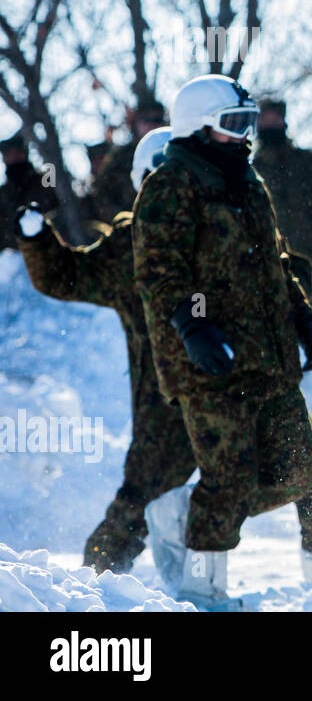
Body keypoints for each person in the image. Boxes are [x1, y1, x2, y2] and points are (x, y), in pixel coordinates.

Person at [133, 75, 312, 604]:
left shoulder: (249, 182)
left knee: (303, 469)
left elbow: (276, 262)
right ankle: (204, 592)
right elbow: (159, 270)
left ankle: (184, 510)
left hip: (271, 359)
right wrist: (192, 326)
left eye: (248, 122)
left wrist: (304, 320)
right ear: (199, 126)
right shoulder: (171, 184)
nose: (245, 134)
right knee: (228, 481)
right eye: (234, 124)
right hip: (210, 365)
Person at [15, 128, 195, 574]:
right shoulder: (127, 245)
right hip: (162, 392)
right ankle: (96, 584)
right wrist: (38, 239)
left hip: (234, 381)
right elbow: (69, 276)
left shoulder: (221, 226)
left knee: (282, 465)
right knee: (144, 488)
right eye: (156, 179)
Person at [251, 99, 312, 265]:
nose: (270, 125)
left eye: (274, 119)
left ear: (283, 122)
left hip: (309, 251)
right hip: (267, 253)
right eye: (265, 120)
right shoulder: (250, 170)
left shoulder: (307, 162)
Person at [87, 97, 167, 220]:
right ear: (136, 122)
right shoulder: (122, 157)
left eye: (157, 119)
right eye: (146, 120)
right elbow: (103, 193)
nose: (152, 124)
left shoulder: (174, 150)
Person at [0, 131, 59, 250]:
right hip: (16, 256)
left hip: (51, 248)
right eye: (10, 154)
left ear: (25, 154)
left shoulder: (45, 182)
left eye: (18, 153)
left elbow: (62, 211)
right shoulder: (2, 194)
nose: (14, 157)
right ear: (4, 159)